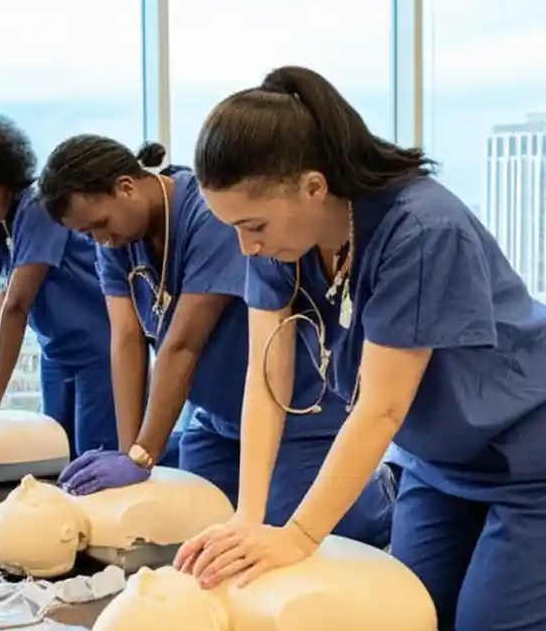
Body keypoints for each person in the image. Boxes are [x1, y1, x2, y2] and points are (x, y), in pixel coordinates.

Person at [173, 65, 546, 631]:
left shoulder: (420, 230)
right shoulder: (284, 246)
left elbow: (382, 407)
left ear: (314, 187)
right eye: (234, 230)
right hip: (436, 464)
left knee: (486, 626)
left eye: (253, 226)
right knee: (403, 612)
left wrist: (297, 537)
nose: (246, 247)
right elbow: (265, 380)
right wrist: (250, 518)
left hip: (527, 458)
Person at [37, 135, 392, 549]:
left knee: (285, 534)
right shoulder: (119, 242)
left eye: (99, 225)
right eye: (87, 234)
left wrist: (143, 455)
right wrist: (127, 452)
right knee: (201, 532)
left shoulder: (210, 216)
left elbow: (183, 343)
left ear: (126, 187)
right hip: (217, 416)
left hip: (298, 411)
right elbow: (126, 339)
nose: (101, 240)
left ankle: (381, 494)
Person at [0, 115, 117, 457]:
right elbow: (4, 299)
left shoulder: (38, 208)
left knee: (92, 458)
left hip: (98, 351)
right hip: (57, 353)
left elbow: (17, 306)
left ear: (5, 181)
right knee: (56, 453)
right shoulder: (3, 223)